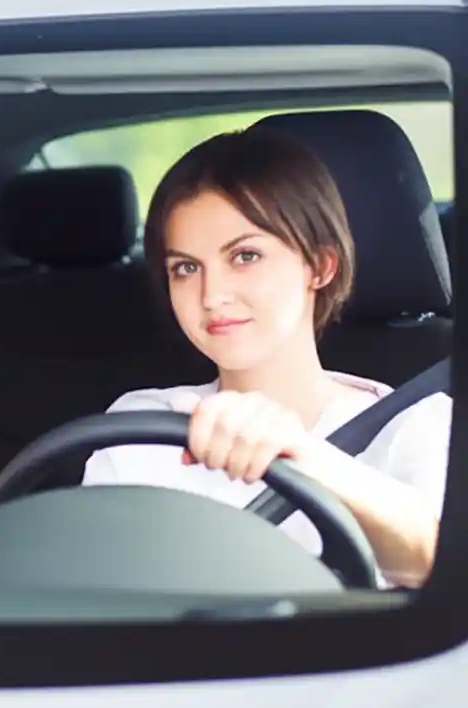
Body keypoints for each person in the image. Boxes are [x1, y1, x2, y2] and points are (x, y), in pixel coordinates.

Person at [82, 127, 448, 589]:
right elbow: (96, 597)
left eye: (246, 256)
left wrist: (304, 453)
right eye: (186, 268)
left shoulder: (417, 423)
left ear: (320, 266)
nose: (212, 296)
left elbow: (443, 567)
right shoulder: (142, 423)